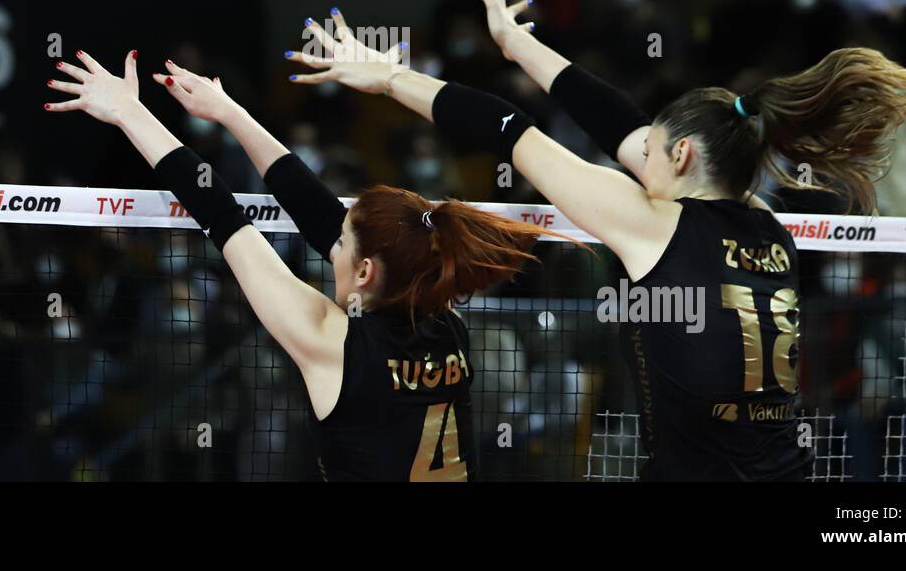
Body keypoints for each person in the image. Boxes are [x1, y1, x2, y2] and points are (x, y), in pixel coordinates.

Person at [286, 0, 906, 480]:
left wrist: (392, 77)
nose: (637, 159)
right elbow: (620, 123)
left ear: (683, 156)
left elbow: (506, 127)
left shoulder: (652, 224)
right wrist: (521, 46)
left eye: (652, 151)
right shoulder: (765, 224)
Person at [45, 47, 559, 481]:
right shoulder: (446, 323)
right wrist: (229, 112)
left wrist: (130, 113)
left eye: (343, 241)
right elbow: (318, 214)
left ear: (364, 273)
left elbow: (224, 217)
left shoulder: (329, 341)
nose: (330, 241)